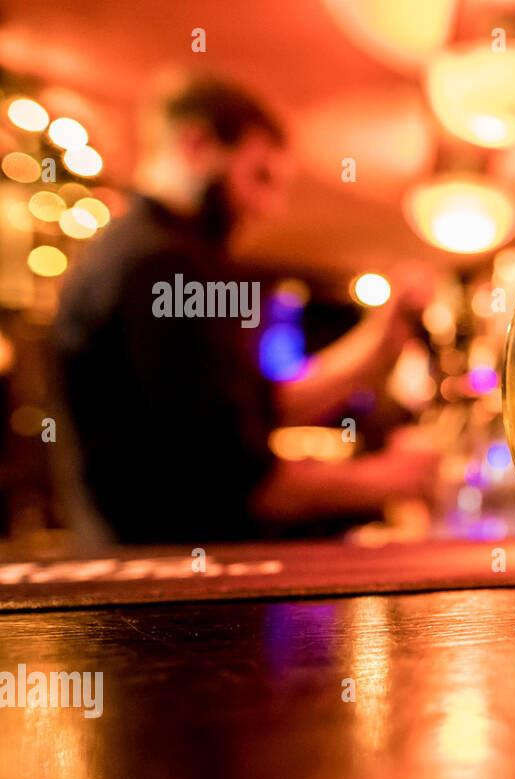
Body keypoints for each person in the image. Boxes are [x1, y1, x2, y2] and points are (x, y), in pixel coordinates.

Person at [55, 75, 437, 544]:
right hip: (167, 581)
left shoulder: (145, 252)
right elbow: (233, 483)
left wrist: (379, 345)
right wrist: (397, 479)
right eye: (259, 176)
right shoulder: (164, 266)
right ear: (196, 144)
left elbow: (246, 410)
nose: (268, 207)